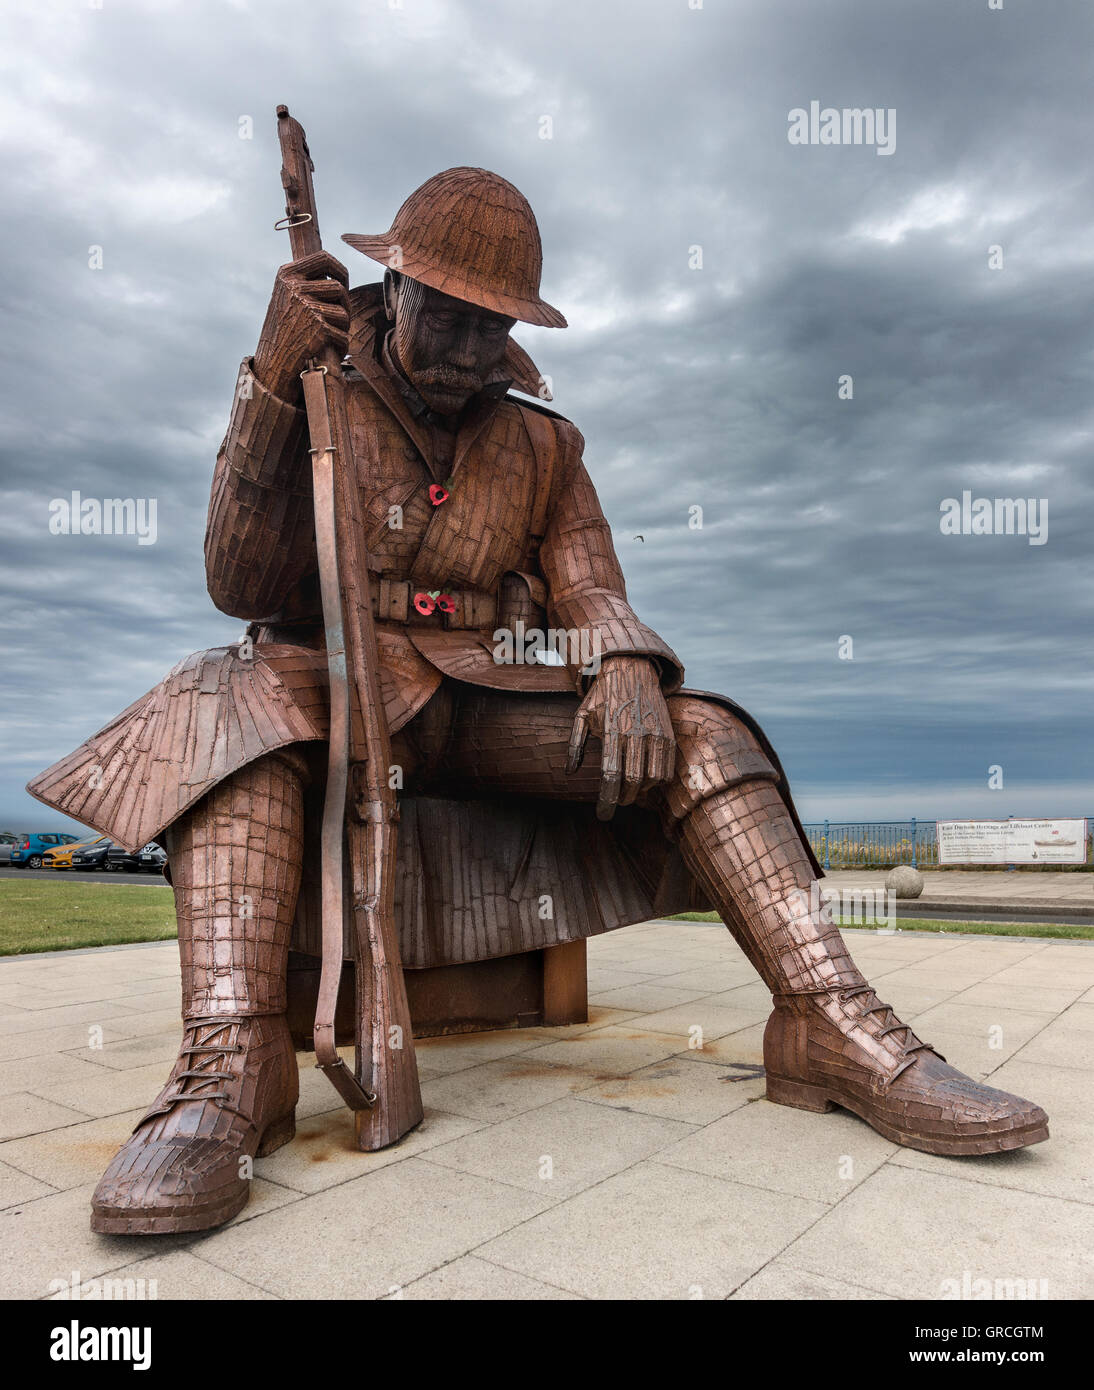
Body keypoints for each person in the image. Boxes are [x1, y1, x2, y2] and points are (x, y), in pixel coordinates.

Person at [28, 167, 1048, 1235]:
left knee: (704, 732)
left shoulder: (544, 443)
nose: (472, 347)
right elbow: (236, 583)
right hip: (330, 684)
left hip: (489, 690)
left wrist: (624, 663)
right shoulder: (316, 384)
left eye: (494, 324)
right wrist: (272, 386)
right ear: (396, 283)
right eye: (451, 315)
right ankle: (231, 1066)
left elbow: (592, 584)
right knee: (224, 698)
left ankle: (832, 1023)